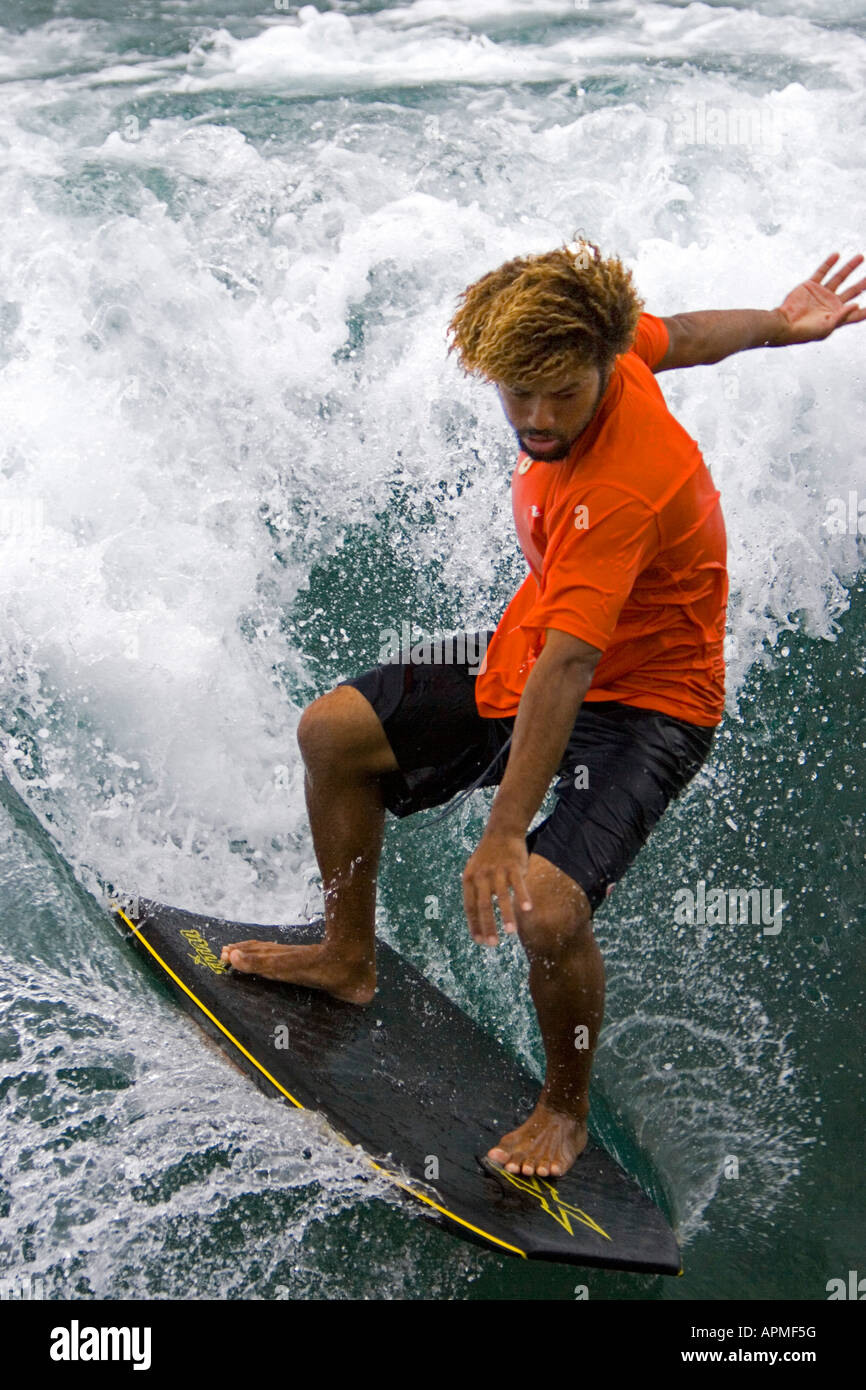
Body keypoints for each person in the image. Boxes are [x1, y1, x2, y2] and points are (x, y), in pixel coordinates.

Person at [222, 244, 864, 1179]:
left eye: (562, 395)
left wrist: (505, 831)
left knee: (549, 911)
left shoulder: (623, 480)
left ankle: (563, 1112)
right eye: (518, 394)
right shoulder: (610, 350)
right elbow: (684, 334)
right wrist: (781, 321)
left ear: (601, 363)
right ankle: (346, 956)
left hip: (651, 703)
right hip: (541, 641)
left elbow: (570, 671)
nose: (539, 419)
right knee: (333, 733)